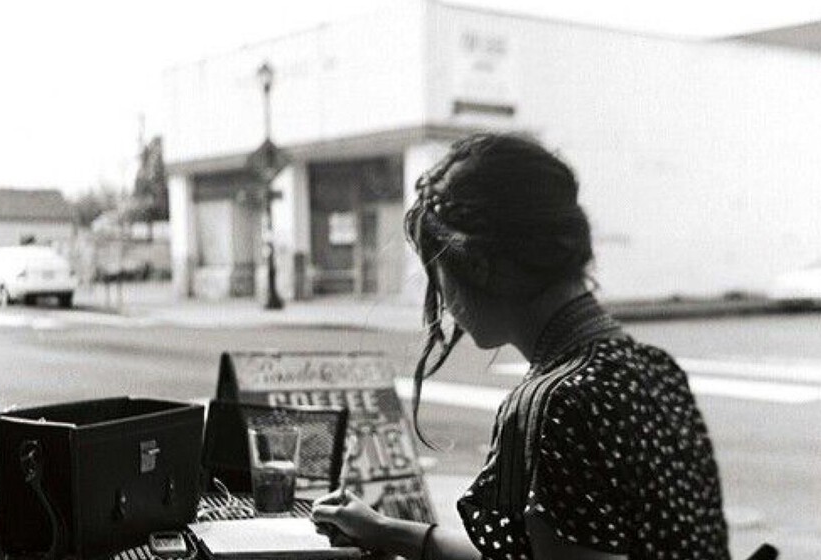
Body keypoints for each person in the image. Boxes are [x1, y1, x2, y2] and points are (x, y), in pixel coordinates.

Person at [312, 133, 731, 560]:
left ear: (479, 267)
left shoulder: (557, 403)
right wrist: (385, 531)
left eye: (437, 273)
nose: (440, 298)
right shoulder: (654, 367)